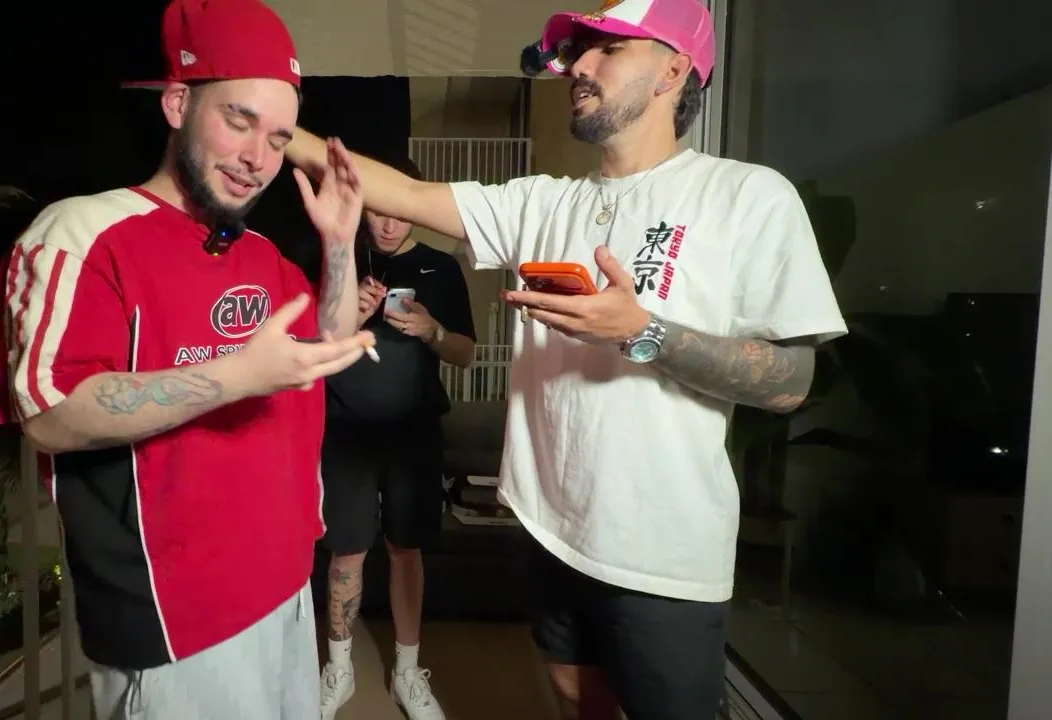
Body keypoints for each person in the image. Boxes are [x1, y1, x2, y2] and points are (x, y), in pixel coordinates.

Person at [286, 0, 848, 718]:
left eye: (608, 49)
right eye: (580, 50)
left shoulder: (747, 196)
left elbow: (791, 381)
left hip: (663, 555)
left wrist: (644, 331)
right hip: (551, 532)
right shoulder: (542, 203)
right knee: (576, 700)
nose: (579, 65)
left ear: (673, 71)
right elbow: (403, 191)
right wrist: (271, 126)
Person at [0, 0, 376, 717]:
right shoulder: (82, 233)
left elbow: (329, 340)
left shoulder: (262, 254)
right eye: (239, 121)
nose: (258, 159)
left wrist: (340, 242)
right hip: (175, 619)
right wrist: (237, 376)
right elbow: (50, 416)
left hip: (286, 586)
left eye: (278, 139)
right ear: (177, 103)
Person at [318, 157, 476, 720]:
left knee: (406, 550)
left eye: (398, 212)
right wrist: (347, 317)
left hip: (413, 433)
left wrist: (434, 330)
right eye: (377, 212)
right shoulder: (337, 258)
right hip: (344, 430)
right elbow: (310, 348)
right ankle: (338, 668)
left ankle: (408, 671)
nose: (388, 225)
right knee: (346, 551)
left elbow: (465, 352)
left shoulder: (441, 267)